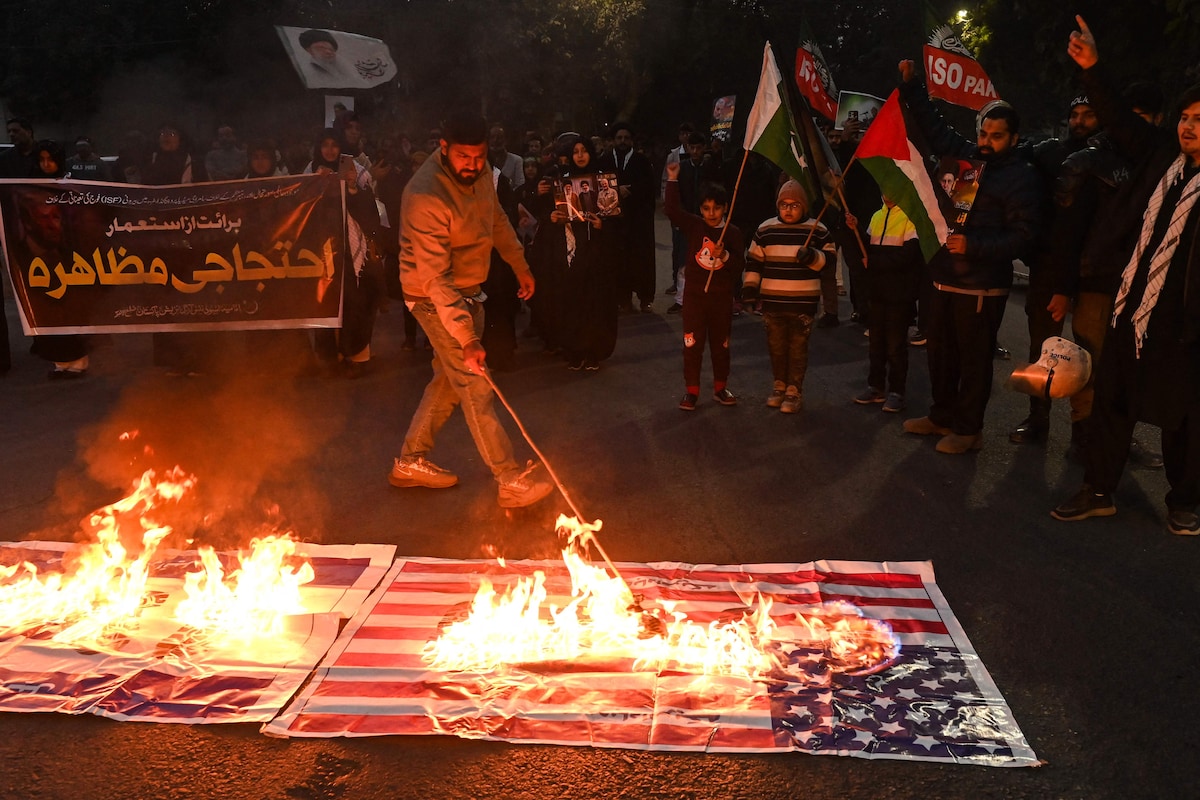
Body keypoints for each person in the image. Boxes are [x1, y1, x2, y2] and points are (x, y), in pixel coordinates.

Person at [1051, 17, 1200, 535]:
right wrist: (1093, 69)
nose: (1188, 127)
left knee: (1184, 419)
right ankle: (1098, 490)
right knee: (1111, 402)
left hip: (1184, 325)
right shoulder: (1161, 158)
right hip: (1130, 308)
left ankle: (1184, 501)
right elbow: (1117, 117)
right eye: (1185, 117)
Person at [389, 111, 552, 508]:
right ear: (444, 148)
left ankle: (410, 460)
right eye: (464, 157)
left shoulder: (479, 175)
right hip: (432, 298)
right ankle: (509, 479)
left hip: (468, 290)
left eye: (479, 157)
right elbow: (435, 279)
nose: (473, 166)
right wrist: (466, 337)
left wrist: (520, 264)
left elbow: (496, 220)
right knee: (476, 385)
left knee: (448, 383)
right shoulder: (425, 196)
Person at [897, 58, 1042, 454]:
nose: (986, 141)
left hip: (982, 287)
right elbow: (936, 129)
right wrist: (912, 87)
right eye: (983, 132)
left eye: (996, 136)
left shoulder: (1022, 176)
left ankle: (968, 429)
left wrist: (973, 247)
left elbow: (1024, 237)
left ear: (1014, 138)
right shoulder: (968, 158)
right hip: (945, 278)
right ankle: (941, 416)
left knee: (973, 361)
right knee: (940, 354)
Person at [1050, 82, 1166, 468]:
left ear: (1158, 121)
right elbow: (1070, 231)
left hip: (1143, 285)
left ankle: (1117, 438)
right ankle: (1084, 437)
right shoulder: (1093, 162)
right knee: (1089, 362)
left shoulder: (1163, 164)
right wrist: (1064, 287)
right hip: (1099, 281)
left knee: (1126, 368)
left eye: (1143, 121)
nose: (1135, 130)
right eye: (1130, 120)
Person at [1008, 96, 1101, 444]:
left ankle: (1086, 429)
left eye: (1088, 115)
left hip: (1093, 271)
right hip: (1049, 266)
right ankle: (1037, 418)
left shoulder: (1112, 161)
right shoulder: (1050, 154)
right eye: (1074, 114)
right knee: (1042, 348)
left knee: (1092, 353)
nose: (1080, 121)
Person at [742, 180, 833, 414]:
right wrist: (750, 291)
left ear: (804, 206)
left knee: (797, 348)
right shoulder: (766, 230)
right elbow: (754, 263)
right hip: (773, 303)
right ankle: (779, 385)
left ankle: (794, 390)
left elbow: (830, 261)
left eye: (794, 205)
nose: (789, 210)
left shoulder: (817, 230)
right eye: (784, 205)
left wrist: (812, 256)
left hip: (803, 304)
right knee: (777, 347)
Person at [664, 159, 744, 410]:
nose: (711, 213)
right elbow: (672, 211)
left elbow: (739, 266)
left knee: (721, 346)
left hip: (721, 300)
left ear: (725, 207)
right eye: (706, 208)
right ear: (700, 209)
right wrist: (672, 179)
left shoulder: (732, 232)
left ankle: (720, 388)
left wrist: (726, 256)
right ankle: (692, 391)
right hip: (695, 298)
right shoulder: (695, 226)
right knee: (692, 344)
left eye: (717, 208)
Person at [532, 135, 617, 371]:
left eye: (584, 151)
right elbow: (547, 213)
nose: (580, 155)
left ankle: (592, 353)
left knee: (593, 305)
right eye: (576, 151)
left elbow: (615, 219)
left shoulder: (602, 181)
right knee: (571, 303)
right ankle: (575, 351)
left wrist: (601, 226)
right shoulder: (561, 181)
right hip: (570, 250)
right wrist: (550, 215)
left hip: (594, 252)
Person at [305, 129, 385, 378]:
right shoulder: (310, 173)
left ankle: (357, 356)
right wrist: (319, 184)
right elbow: (304, 211)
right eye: (325, 145)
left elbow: (370, 214)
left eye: (334, 145)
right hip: (323, 250)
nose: (330, 150)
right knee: (326, 302)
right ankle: (330, 358)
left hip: (353, 251)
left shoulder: (357, 172)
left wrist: (351, 187)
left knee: (356, 302)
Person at [851, 196, 923, 414]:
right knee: (876, 344)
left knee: (895, 346)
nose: (887, 193)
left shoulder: (910, 218)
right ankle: (875, 386)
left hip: (899, 294)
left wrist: (874, 263)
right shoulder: (877, 216)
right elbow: (866, 248)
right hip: (877, 292)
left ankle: (897, 392)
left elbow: (908, 256)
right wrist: (855, 228)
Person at [597, 122, 657, 313]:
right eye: (619, 138)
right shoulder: (604, 160)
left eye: (626, 138)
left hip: (638, 220)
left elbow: (650, 186)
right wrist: (616, 190)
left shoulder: (642, 161)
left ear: (632, 140)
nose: (622, 141)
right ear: (613, 140)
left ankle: (645, 298)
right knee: (619, 261)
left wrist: (631, 190)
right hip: (614, 220)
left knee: (641, 260)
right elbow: (597, 185)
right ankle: (623, 299)